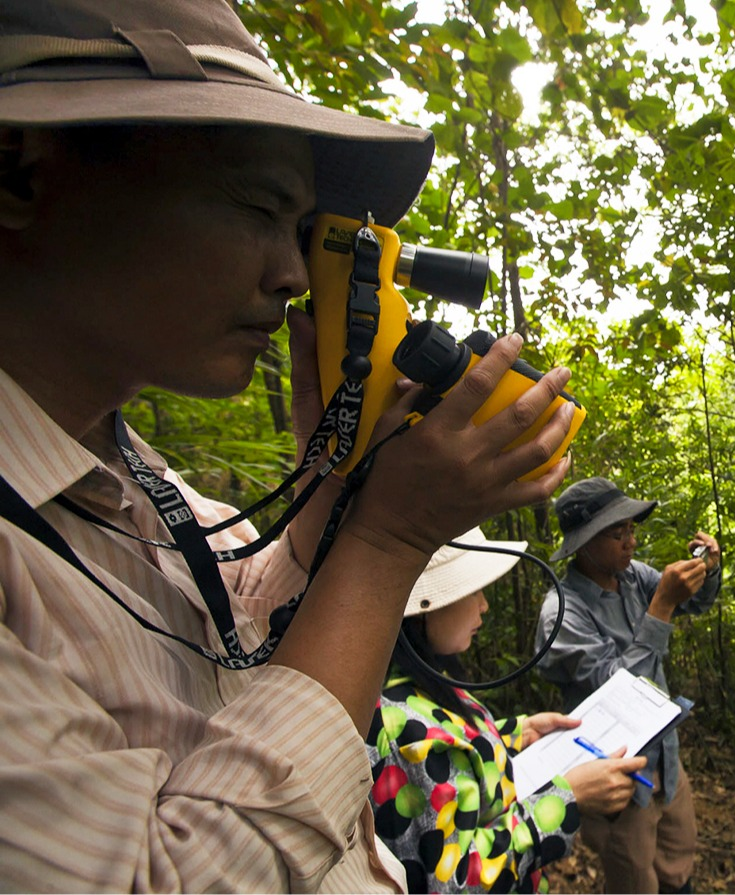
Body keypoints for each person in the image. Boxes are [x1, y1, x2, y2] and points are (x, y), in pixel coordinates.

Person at [0, 1, 576, 890]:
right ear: (20, 173)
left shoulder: (136, 482)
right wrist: (384, 542)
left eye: (305, 232)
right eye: (259, 208)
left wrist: (339, 480)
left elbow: (258, 643)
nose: (295, 273)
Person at [368, 527, 647, 894]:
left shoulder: (416, 682)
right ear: (425, 606)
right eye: (472, 591)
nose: (483, 604)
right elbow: (456, 882)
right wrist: (565, 799)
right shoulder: (405, 737)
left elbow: (450, 757)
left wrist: (516, 733)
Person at [533, 476, 722, 895]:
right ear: (583, 545)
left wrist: (707, 571)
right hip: (616, 774)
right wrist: (663, 605)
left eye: (631, 530)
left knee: (678, 867)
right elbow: (617, 688)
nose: (631, 543)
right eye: (617, 534)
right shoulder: (562, 614)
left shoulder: (634, 577)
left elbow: (695, 602)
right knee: (635, 879)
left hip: (666, 759)